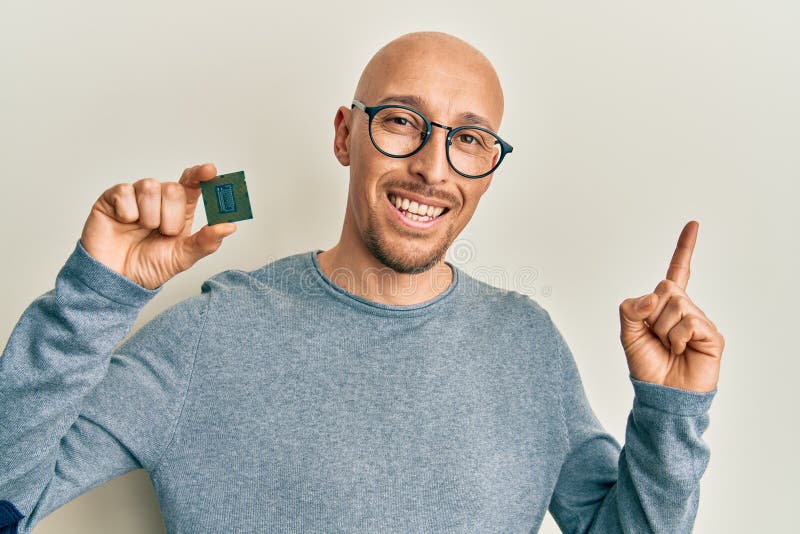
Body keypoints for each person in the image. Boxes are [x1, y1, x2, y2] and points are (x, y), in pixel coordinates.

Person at [0, 31, 724, 533]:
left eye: (469, 139)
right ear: (345, 135)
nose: (434, 170)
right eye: (403, 122)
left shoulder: (528, 345)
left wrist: (670, 414)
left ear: (490, 170)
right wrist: (95, 297)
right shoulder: (210, 335)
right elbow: (9, 500)